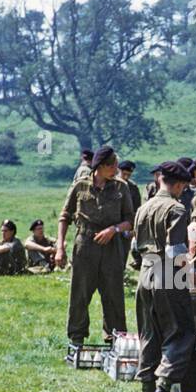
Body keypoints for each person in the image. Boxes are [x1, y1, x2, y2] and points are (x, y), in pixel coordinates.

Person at [134, 161, 196, 392]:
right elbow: (175, 250)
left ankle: (147, 390)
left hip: (145, 275)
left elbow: (134, 250)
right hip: (167, 275)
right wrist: (189, 269)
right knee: (180, 332)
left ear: (160, 180)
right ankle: (163, 390)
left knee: (149, 333)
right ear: (180, 185)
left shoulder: (143, 208)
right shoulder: (177, 209)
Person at [56, 146, 135, 344]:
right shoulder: (80, 186)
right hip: (85, 245)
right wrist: (60, 247)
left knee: (113, 294)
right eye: (113, 165)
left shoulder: (121, 188)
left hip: (111, 246)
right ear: (100, 166)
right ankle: (77, 338)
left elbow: (130, 220)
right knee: (80, 293)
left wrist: (114, 230)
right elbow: (64, 216)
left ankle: (115, 339)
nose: (116, 169)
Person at [118, 160, 143, 271]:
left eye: (129, 174)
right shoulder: (111, 184)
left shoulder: (133, 187)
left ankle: (121, 274)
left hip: (126, 225)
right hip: (112, 223)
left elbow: (137, 209)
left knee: (123, 252)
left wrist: (133, 228)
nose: (126, 176)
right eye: (124, 174)